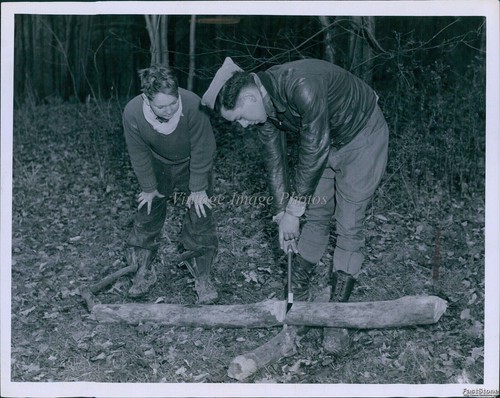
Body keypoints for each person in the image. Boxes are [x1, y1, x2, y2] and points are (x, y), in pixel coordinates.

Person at [201, 57, 389, 353]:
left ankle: (336, 318)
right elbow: (275, 161)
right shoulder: (265, 110)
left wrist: (293, 209)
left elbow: (315, 144)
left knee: (348, 223)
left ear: (250, 96)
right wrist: (281, 214)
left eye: (239, 117)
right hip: (325, 143)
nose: (243, 125)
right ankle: (298, 302)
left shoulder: (300, 82)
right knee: (315, 215)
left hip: (361, 136)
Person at [122, 64, 218, 304]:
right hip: (158, 163)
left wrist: (197, 188)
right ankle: (142, 272)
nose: (167, 110)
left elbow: (203, 147)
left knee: (200, 214)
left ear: (178, 94)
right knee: (147, 212)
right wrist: (148, 187)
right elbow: (138, 151)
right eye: (160, 106)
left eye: (172, 103)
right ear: (147, 98)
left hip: (192, 162)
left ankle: (202, 276)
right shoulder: (133, 112)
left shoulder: (194, 105)